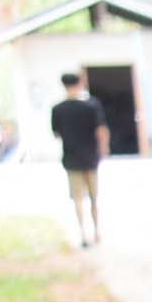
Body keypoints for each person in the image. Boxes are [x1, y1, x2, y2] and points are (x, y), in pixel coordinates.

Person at [47, 72, 105, 246]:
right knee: (94, 197)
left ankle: (83, 235)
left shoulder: (58, 109)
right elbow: (100, 130)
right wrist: (103, 148)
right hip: (91, 157)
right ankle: (97, 232)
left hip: (71, 157)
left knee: (78, 199)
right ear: (79, 84)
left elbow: (56, 134)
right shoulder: (91, 106)